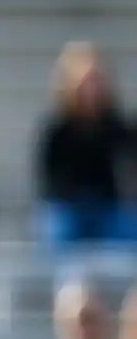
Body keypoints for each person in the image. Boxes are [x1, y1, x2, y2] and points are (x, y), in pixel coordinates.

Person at [35, 41, 137, 254]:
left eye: (96, 82)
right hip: (69, 207)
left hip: (108, 206)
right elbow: (48, 181)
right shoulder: (58, 130)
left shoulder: (117, 127)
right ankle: (70, 282)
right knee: (55, 228)